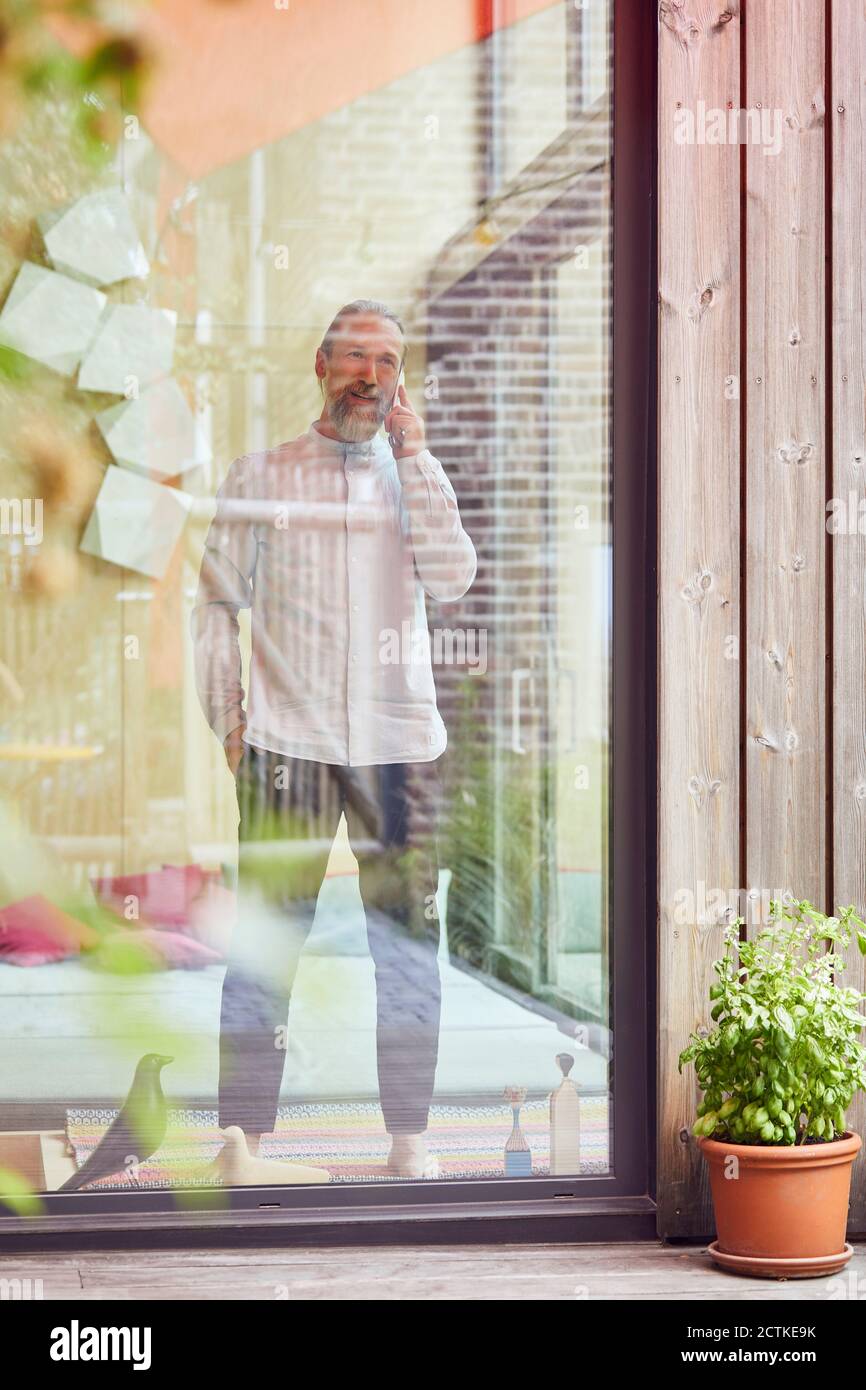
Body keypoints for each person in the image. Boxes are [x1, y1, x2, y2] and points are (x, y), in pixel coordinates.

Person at [191, 299, 476, 1177]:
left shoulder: (416, 475)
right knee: (267, 940)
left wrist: (418, 459)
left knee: (406, 943)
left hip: (401, 747)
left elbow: (455, 577)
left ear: (399, 379)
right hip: (287, 743)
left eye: (385, 361)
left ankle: (409, 1139)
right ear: (320, 367)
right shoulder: (262, 473)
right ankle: (244, 1135)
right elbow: (214, 605)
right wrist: (232, 723)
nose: (368, 375)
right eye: (353, 358)